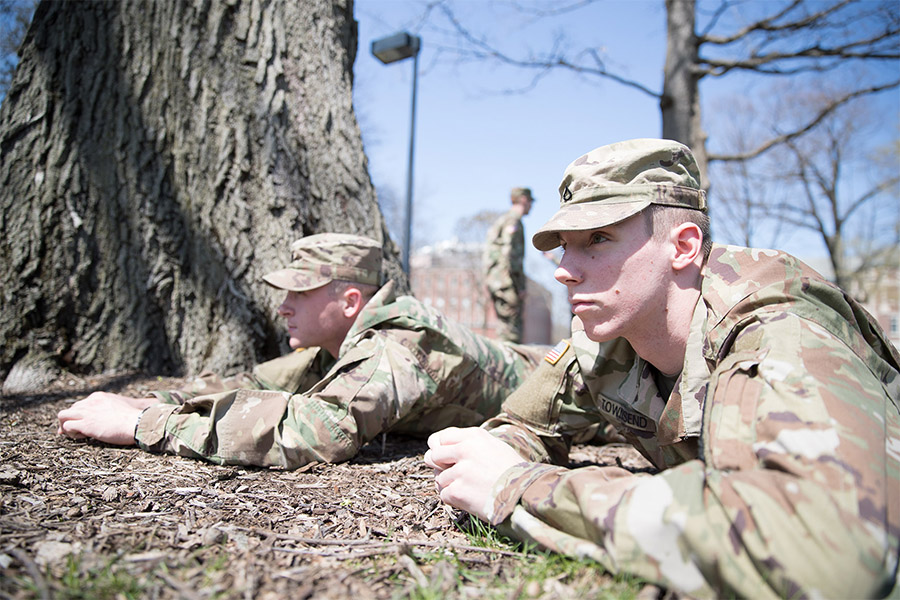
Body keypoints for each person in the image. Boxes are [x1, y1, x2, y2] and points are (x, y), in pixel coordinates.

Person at [425, 139, 900, 599]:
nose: (564, 270)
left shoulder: (777, 334)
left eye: (598, 239)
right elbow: (525, 427)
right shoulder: (607, 340)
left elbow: (827, 555)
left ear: (684, 246)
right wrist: (489, 459)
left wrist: (520, 488)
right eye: (565, 246)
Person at [58, 233, 546, 469]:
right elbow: (255, 384)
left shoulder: (394, 345)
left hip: (559, 389)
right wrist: (154, 403)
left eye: (300, 293)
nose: (283, 307)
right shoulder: (336, 346)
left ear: (350, 301)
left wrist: (147, 427)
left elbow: (318, 431)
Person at [483, 187, 534, 343]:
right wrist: (520, 287)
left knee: (504, 328)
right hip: (507, 283)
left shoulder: (503, 219)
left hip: (498, 281)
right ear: (524, 199)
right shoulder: (513, 221)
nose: (531, 206)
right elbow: (509, 254)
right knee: (511, 333)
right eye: (531, 201)